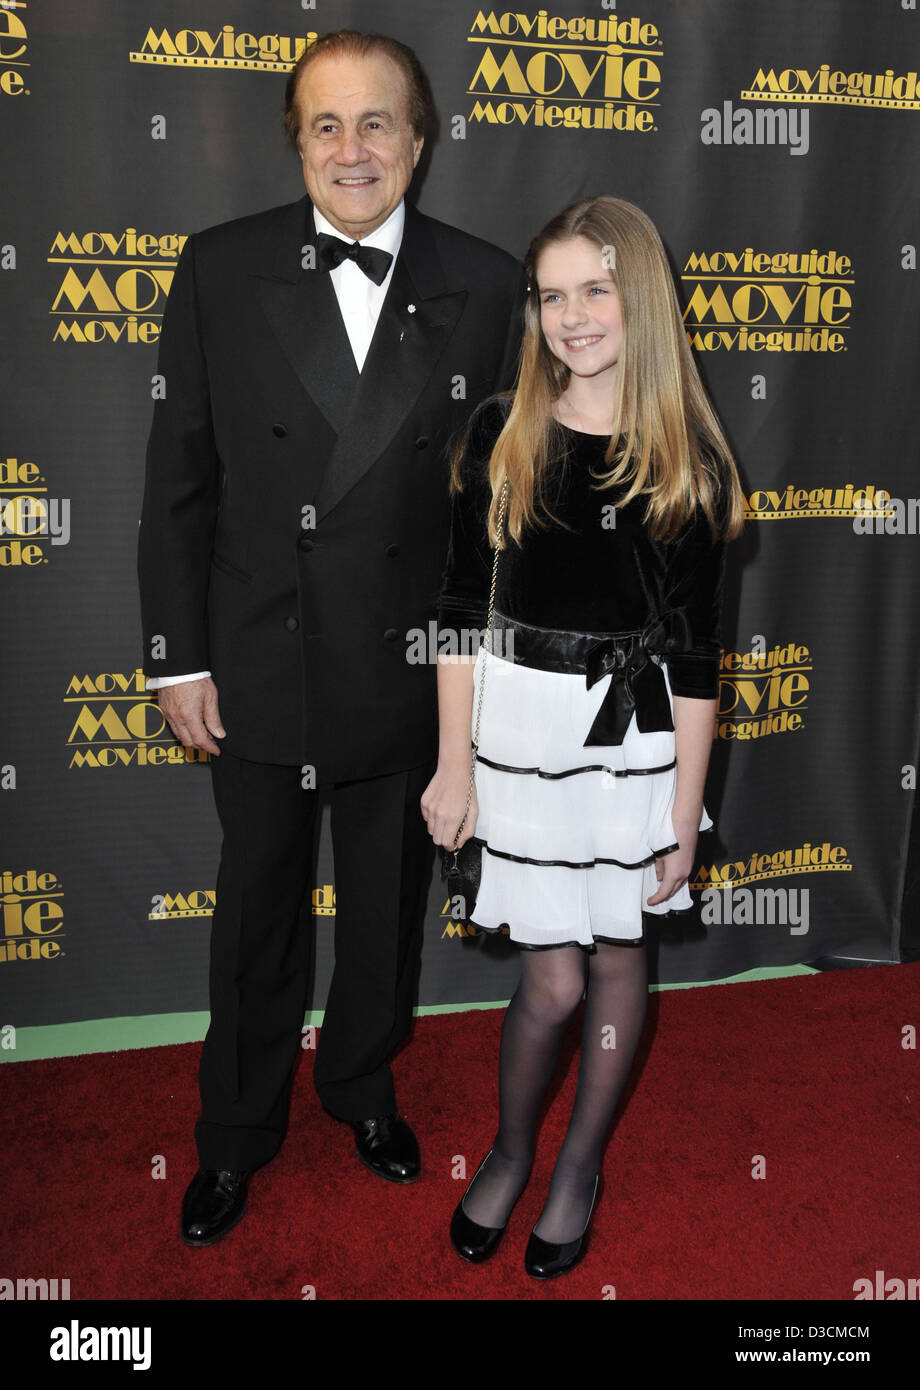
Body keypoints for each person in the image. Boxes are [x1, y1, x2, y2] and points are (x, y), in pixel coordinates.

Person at [137, 29, 525, 1247]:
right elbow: (178, 483)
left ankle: (360, 1087)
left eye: (376, 125)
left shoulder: (486, 280)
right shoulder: (218, 267)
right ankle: (235, 1132)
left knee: (383, 906)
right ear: (295, 141)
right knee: (253, 909)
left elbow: (490, 514)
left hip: (404, 670)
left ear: (419, 140)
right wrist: (176, 654)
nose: (351, 150)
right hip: (256, 658)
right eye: (325, 125)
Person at [423, 195, 745, 1278]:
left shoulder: (686, 460)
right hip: (516, 735)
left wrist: (682, 816)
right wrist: (451, 761)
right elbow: (460, 612)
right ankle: (512, 1150)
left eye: (594, 290)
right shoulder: (496, 432)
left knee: (618, 964)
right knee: (549, 980)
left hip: (630, 746)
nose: (570, 316)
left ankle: (578, 1164)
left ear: (637, 297)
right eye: (551, 295)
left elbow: (697, 660)